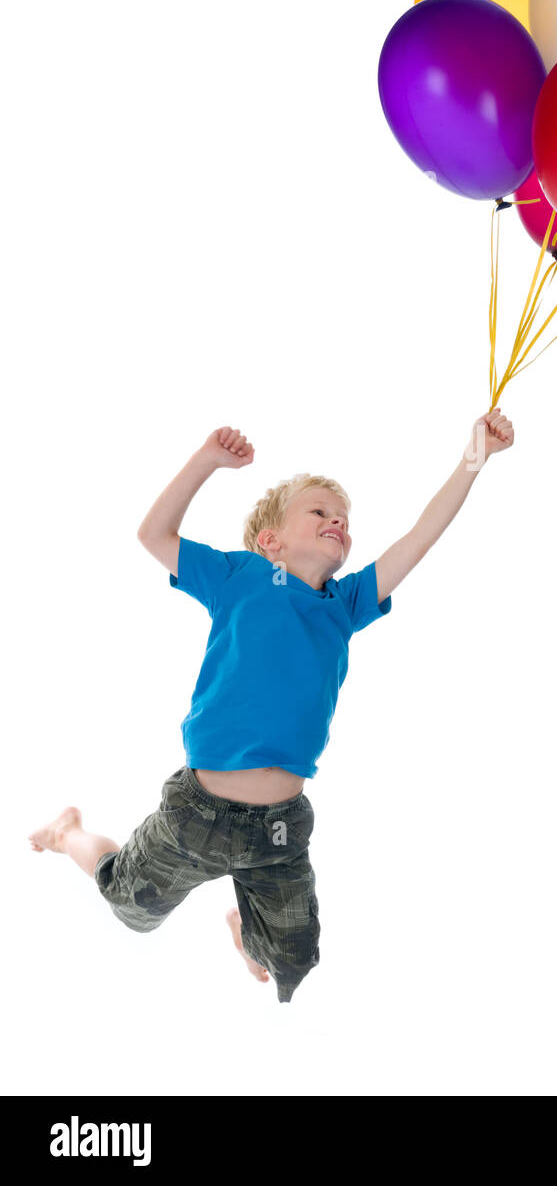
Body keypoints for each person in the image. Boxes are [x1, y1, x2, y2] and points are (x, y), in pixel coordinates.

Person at [28, 409, 515, 1002]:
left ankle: (245, 925)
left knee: (293, 967)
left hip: (278, 830)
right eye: (320, 513)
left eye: (344, 519)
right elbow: (153, 535)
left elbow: (420, 535)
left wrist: (474, 457)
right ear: (270, 541)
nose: (338, 522)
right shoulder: (242, 576)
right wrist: (207, 461)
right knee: (128, 903)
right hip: (196, 815)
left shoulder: (347, 602)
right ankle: (68, 833)